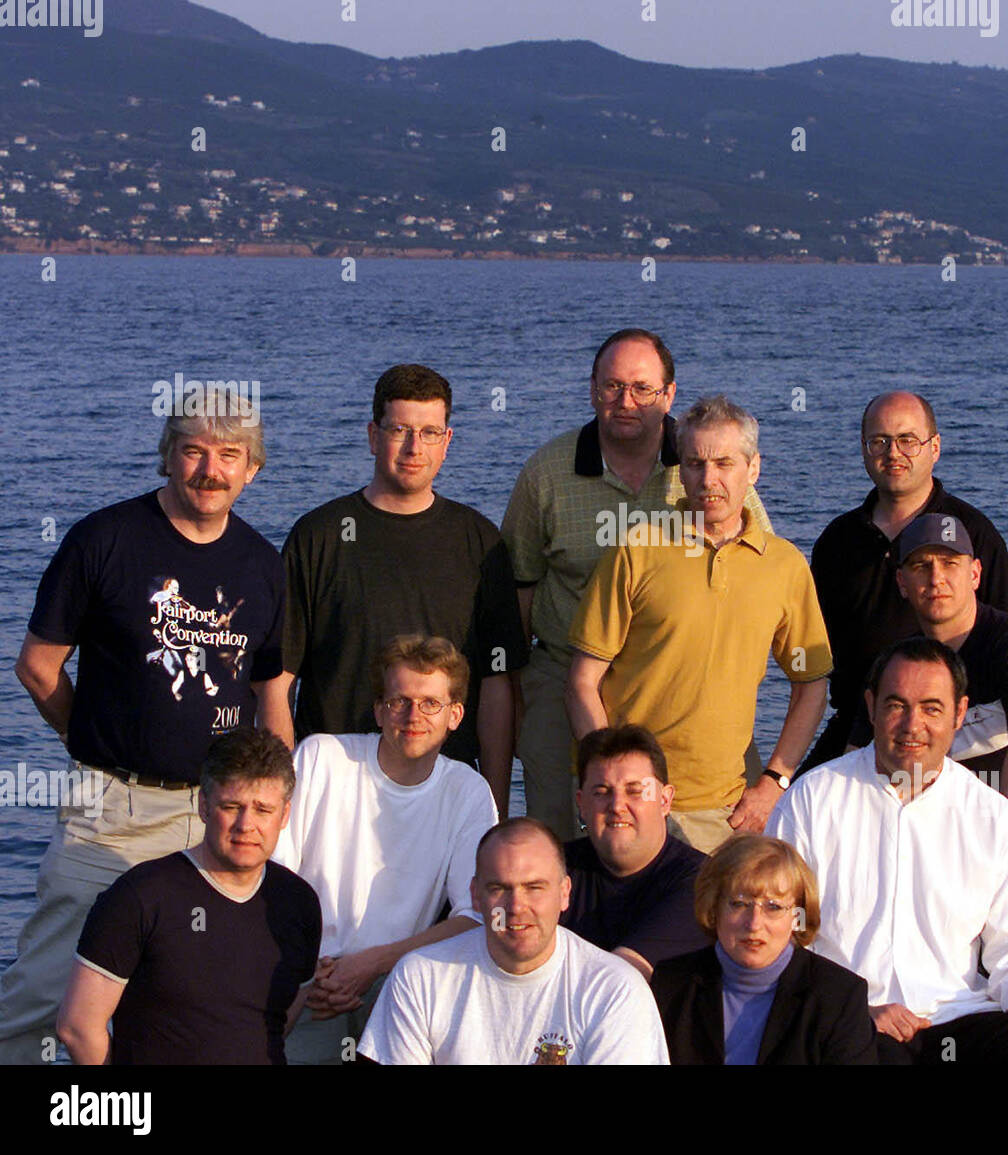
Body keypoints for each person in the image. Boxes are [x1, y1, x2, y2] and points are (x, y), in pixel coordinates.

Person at [2, 409, 290, 1065]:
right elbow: (37, 666)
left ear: (252, 468)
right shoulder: (104, 540)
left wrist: (276, 806)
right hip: (110, 813)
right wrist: (98, 743)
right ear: (167, 456)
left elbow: (271, 694)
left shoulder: (261, 564)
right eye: (192, 451)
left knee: (189, 995)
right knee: (49, 990)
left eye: (228, 454)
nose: (210, 469)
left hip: (218, 817)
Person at [767, 638, 1008, 1065]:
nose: (912, 725)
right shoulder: (810, 802)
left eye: (932, 708)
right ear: (871, 706)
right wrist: (846, 1009)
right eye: (896, 705)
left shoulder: (992, 816)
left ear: (959, 714)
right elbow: (780, 936)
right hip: (852, 1020)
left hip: (957, 1016)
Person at [501, 329, 769, 839]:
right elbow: (519, 590)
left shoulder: (705, 468)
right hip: (565, 682)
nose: (626, 401)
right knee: (563, 843)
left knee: (728, 841)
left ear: (669, 394)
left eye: (643, 389)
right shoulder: (547, 473)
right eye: (612, 387)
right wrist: (517, 698)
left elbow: (757, 570)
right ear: (592, 390)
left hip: (680, 683)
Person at [567, 395, 831, 853]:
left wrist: (773, 783)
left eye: (724, 463)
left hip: (727, 811)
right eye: (694, 464)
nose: (708, 479)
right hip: (635, 806)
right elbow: (581, 681)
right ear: (681, 470)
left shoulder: (784, 565)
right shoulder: (638, 548)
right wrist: (612, 785)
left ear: (753, 469)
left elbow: (811, 685)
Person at [273, 363, 527, 816]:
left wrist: (494, 810)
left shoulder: (481, 544)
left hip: (444, 785)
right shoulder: (319, 536)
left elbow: (495, 687)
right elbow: (278, 682)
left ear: (447, 442)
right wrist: (283, 795)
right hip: (335, 785)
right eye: (400, 430)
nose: (414, 447)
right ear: (373, 435)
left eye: (430, 432)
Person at [272, 635, 498, 1063]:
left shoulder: (467, 791)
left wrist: (372, 964)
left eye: (431, 703)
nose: (413, 716)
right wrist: (309, 970)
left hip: (398, 977)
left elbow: (474, 916)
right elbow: (273, 878)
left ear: (456, 715)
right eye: (399, 701)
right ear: (379, 710)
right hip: (304, 972)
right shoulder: (321, 758)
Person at [56, 729, 320, 1064]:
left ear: (284, 815)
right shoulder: (140, 896)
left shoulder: (299, 903)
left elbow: (280, 1020)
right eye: (231, 806)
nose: (246, 824)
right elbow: (77, 1027)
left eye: (262, 810)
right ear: (204, 806)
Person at [805, 391, 1008, 769]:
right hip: (856, 731)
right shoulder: (837, 542)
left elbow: (1007, 643)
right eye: (880, 441)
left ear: (934, 447)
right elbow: (815, 655)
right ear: (863, 449)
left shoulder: (974, 535)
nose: (893, 453)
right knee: (792, 819)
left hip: (952, 739)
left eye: (907, 440)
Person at [358, 818, 670, 1065]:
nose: (516, 907)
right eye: (499, 888)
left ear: (564, 893)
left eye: (534, 887)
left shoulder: (614, 989)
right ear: (476, 896)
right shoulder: (419, 977)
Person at [846, 514, 1008, 825]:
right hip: (944, 825)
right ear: (902, 583)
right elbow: (856, 761)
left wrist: (1002, 846)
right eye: (921, 566)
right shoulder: (900, 665)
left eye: (949, 564)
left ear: (975, 574)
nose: (936, 579)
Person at [651, 835, 877, 1065]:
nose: (754, 924)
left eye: (774, 907)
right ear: (714, 907)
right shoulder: (671, 984)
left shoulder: (839, 996)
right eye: (739, 903)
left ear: (797, 917)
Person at [562, 725, 709, 980]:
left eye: (635, 791)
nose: (617, 806)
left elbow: (623, 976)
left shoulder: (702, 883)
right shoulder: (554, 870)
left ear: (665, 801)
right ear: (581, 804)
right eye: (601, 792)